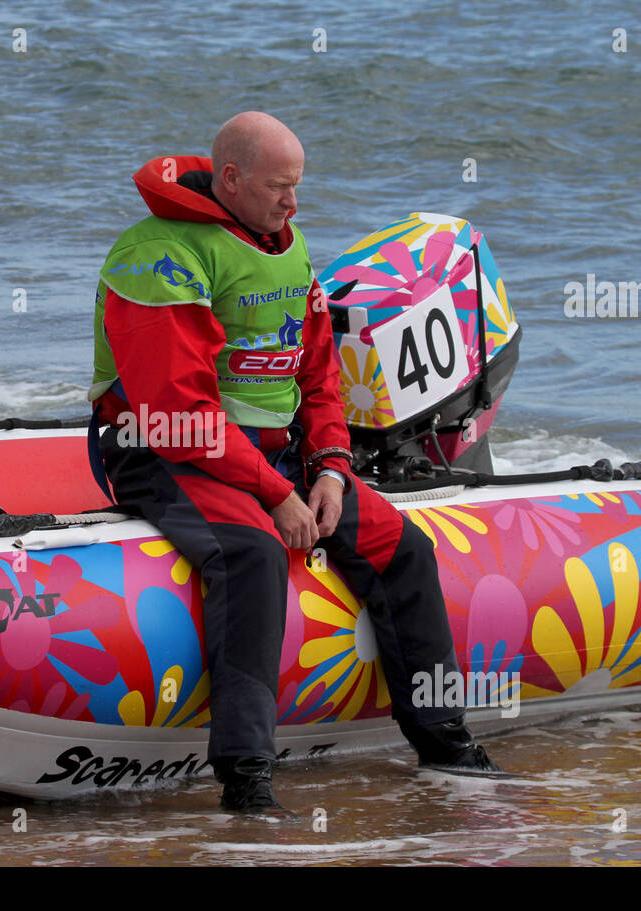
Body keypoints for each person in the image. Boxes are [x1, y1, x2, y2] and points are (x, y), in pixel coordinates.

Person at [88, 111, 501, 813]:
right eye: (279, 187)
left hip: (276, 452)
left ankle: (447, 747)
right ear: (230, 178)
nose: (293, 203)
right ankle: (247, 781)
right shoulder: (157, 256)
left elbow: (318, 378)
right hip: (161, 448)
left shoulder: (286, 244)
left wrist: (334, 468)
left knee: (403, 549)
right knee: (251, 553)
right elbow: (178, 412)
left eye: (298, 187)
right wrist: (278, 496)